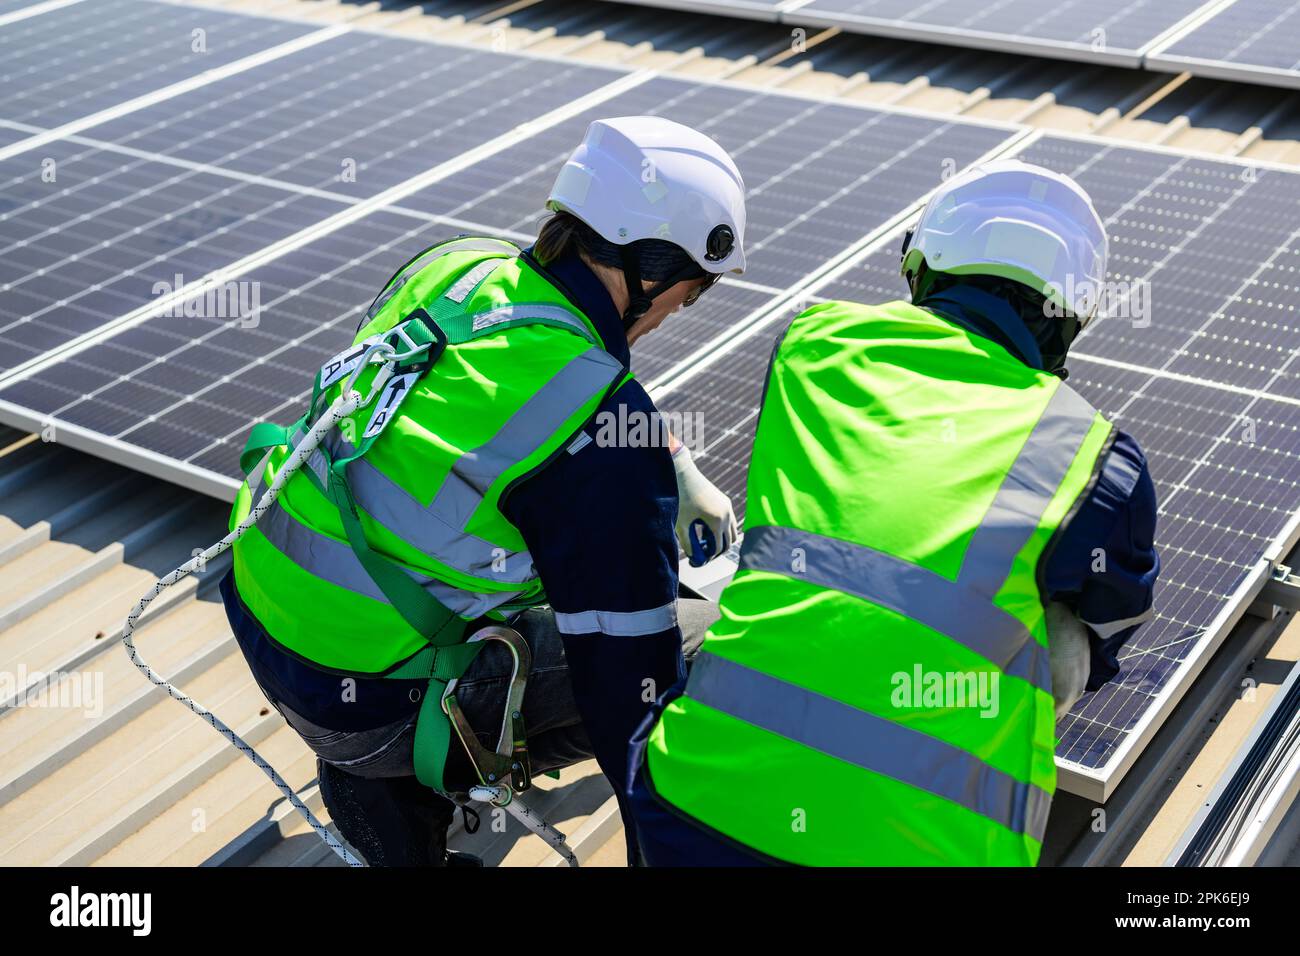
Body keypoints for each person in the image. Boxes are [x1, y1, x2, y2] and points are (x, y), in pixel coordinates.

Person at [218, 115, 745, 865]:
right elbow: (631, 681)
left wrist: (669, 459)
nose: (674, 316)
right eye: (689, 294)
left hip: (266, 614)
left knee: (451, 555)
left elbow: (442, 405)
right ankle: (400, 768)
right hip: (369, 702)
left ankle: (384, 810)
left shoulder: (457, 265)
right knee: (707, 642)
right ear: (653, 270)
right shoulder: (595, 418)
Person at [625, 159, 1161, 866]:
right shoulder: (1099, 460)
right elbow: (1094, 646)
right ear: (1073, 314)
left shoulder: (811, 346)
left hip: (695, 804)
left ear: (921, 267)